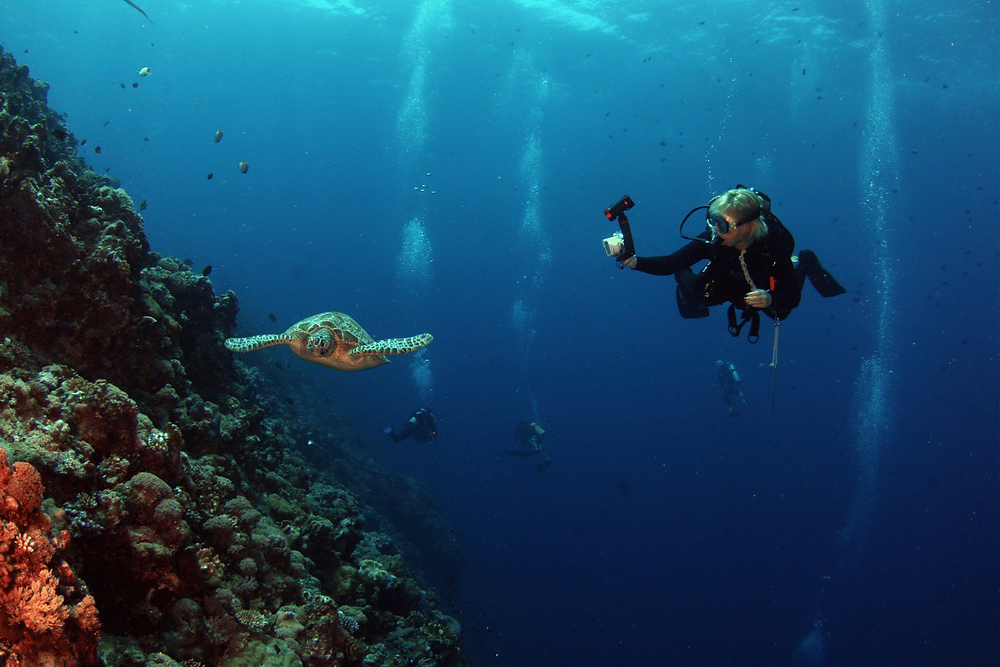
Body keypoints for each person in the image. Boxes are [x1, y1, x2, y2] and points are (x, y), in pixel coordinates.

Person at [615, 186, 846, 341]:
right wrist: (635, 262)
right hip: (731, 277)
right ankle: (688, 277)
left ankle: (805, 262)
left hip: (761, 282)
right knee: (702, 295)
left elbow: (793, 296)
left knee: (779, 314)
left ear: (746, 226)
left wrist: (770, 298)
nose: (715, 230)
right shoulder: (714, 240)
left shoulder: (772, 248)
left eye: (723, 225)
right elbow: (670, 263)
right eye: (713, 221)